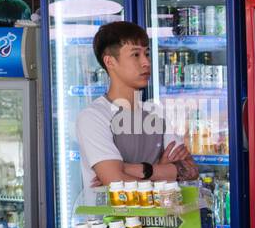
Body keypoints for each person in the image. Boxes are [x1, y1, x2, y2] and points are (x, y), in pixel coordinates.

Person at [74, 21, 197, 195]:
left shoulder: (155, 112)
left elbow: (191, 170)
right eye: (135, 55)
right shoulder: (93, 117)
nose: (146, 62)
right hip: (111, 222)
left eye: (146, 53)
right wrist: (163, 171)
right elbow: (118, 187)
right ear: (110, 62)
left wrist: (138, 169)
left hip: (161, 222)